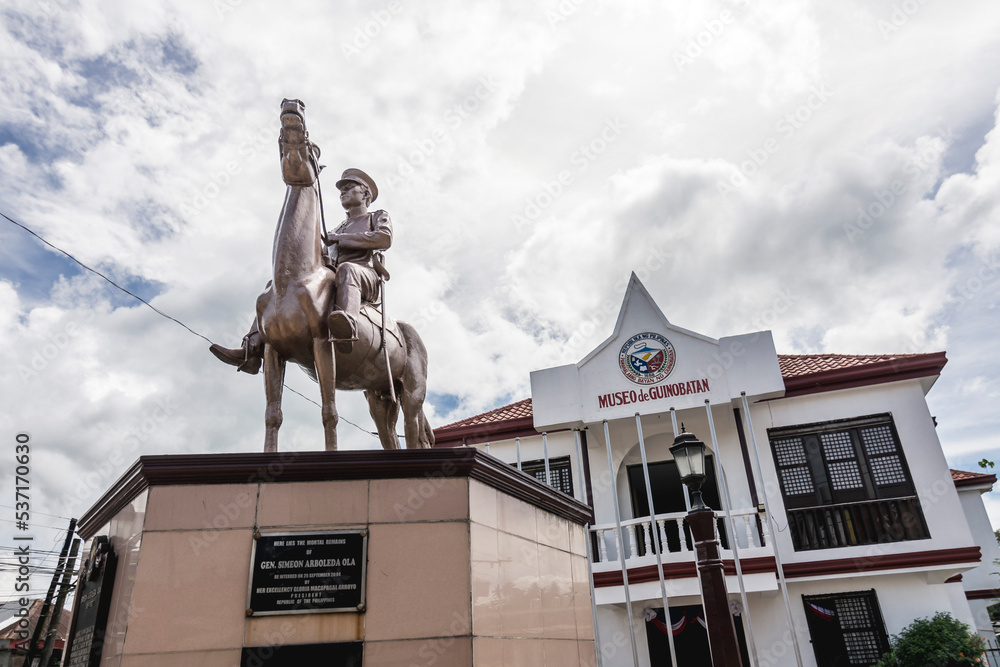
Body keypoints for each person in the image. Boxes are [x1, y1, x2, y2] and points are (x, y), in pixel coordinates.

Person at [209, 168, 391, 373]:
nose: (343, 192)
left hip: (363, 276)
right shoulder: (338, 227)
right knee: (275, 287)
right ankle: (251, 349)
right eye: (342, 190)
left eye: (349, 188)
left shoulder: (376, 216)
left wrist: (340, 239)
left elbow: (384, 238)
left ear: (365, 194)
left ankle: (348, 323)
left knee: (348, 269)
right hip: (334, 279)